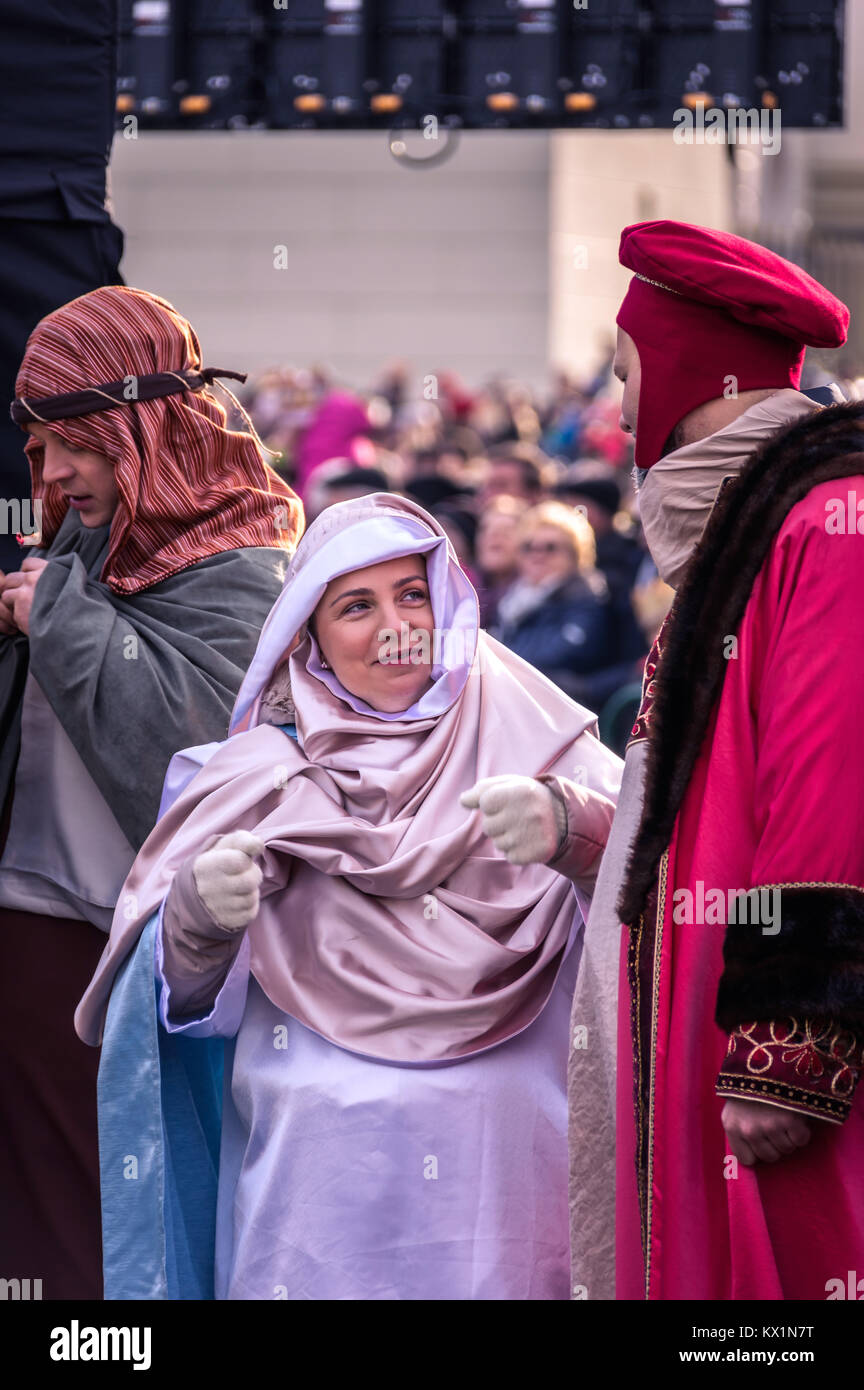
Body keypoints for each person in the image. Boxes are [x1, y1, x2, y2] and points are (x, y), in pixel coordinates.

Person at [75, 492, 623, 1301]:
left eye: (413, 595)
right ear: (310, 638)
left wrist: (580, 832)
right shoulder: (247, 776)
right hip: (316, 1189)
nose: (397, 625)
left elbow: (657, 903)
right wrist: (192, 923)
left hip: (511, 1177)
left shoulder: (542, 735)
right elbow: (165, 1019)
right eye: (356, 606)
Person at [568, 218, 863, 1303]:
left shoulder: (833, 517)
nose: (620, 404)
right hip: (704, 1023)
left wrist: (792, 1040)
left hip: (773, 1048)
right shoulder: (751, 523)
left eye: (628, 369)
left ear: (690, 367)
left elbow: (834, 777)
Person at [0, 284, 303, 1300]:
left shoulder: (248, 562)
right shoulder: (82, 543)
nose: (51, 475)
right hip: (35, 921)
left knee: (140, 1217)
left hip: (153, 956)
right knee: (44, 1229)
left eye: (71, 445)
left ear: (135, 428)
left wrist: (56, 614)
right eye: (37, 451)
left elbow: (196, 758)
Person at [491, 500, 642, 709]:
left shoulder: (590, 598)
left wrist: (499, 665)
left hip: (568, 711)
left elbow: (560, 655)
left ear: (575, 554)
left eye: (550, 547)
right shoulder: (512, 605)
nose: (537, 555)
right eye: (528, 547)